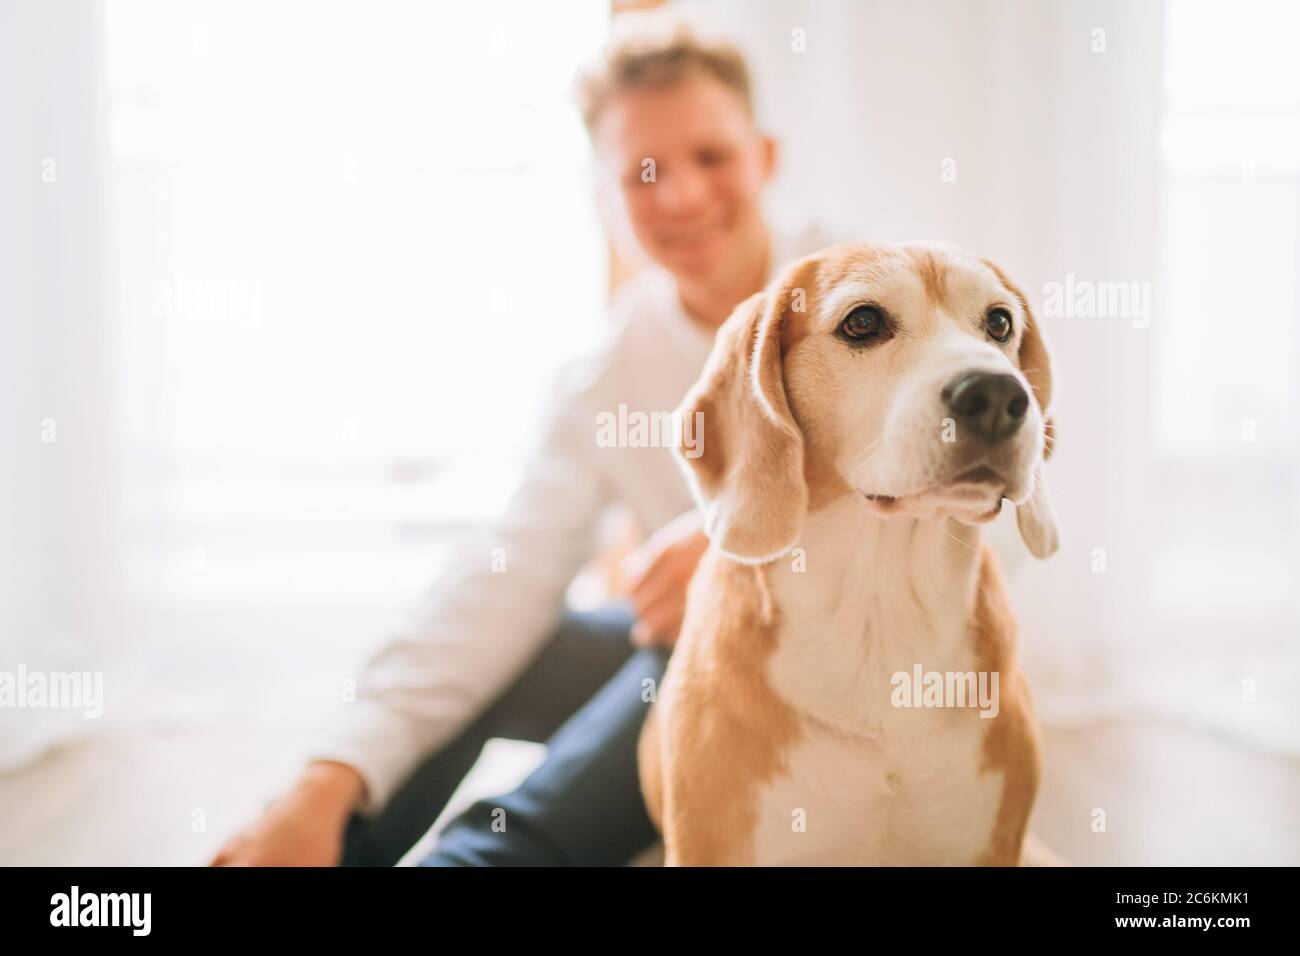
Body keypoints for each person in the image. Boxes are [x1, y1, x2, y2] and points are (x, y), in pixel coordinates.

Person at [211, 9, 832, 867]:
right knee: (510, 639)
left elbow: (972, 522)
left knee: (694, 648)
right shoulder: (609, 370)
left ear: (765, 158)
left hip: (837, 668)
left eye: (711, 157)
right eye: (643, 172)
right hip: (682, 644)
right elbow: (508, 573)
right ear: (604, 196)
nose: (681, 195)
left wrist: (746, 558)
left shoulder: (867, 304)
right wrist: (331, 774)